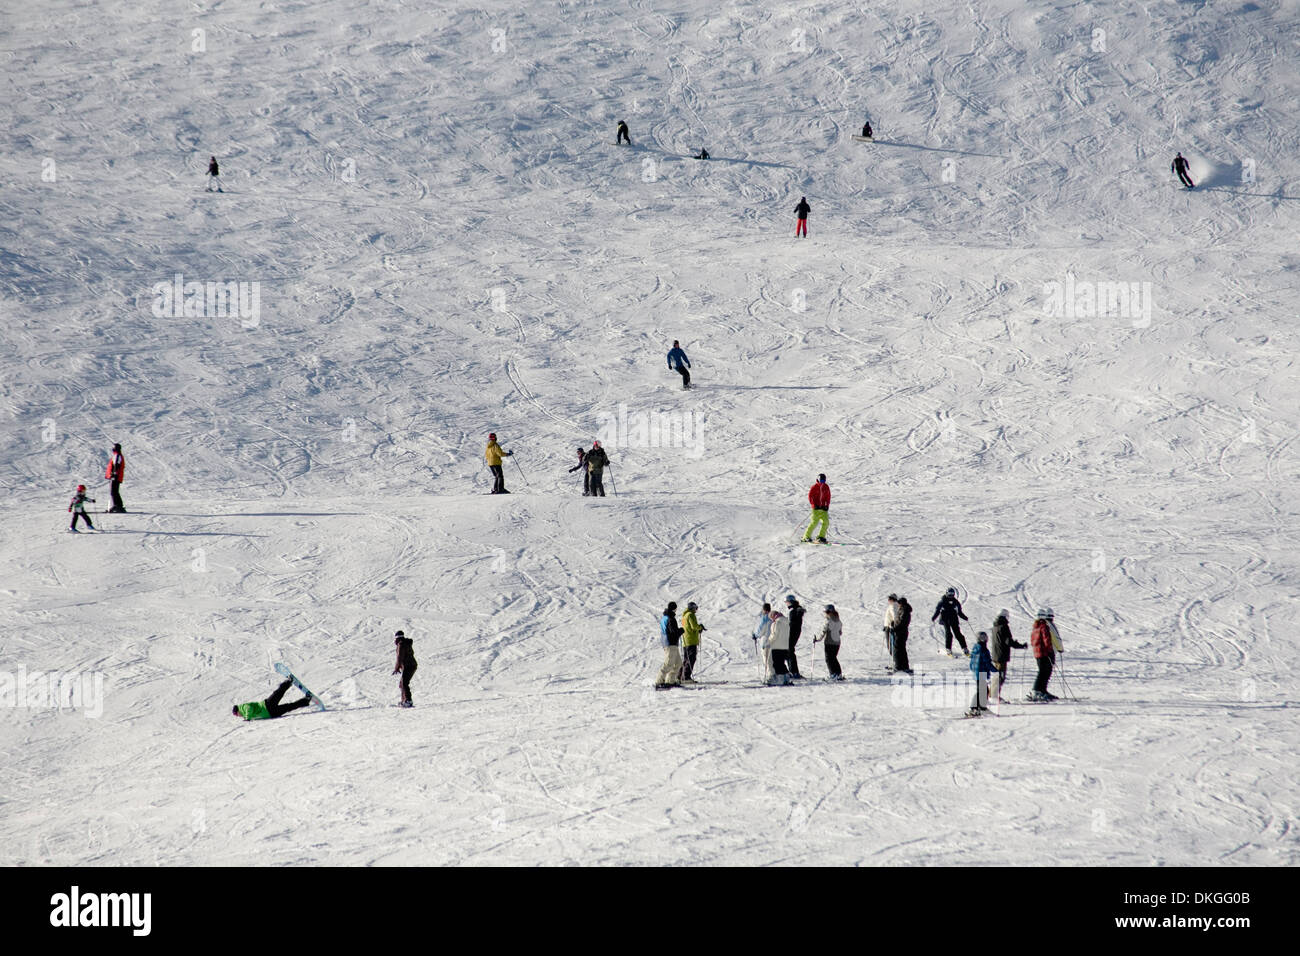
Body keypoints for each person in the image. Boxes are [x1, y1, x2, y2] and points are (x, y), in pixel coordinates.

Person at [989, 609, 1025, 703]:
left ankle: (992, 695)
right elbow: (1008, 641)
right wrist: (1020, 646)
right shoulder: (1004, 627)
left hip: (996, 654)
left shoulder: (994, 627)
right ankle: (994, 696)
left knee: (997, 675)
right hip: (1001, 655)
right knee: (1000, 676)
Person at [232, 678, 312, 720]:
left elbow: (249, 708)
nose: (237, 716)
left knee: (278, 694)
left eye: (236, 714)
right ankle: (305, 701)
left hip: (267, 705)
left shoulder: (243, 707)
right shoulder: (245, 716)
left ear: (237, 710)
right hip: (271, 714)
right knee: (289, 707)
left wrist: (247, 717)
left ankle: (288, 682)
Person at [1029, 608, 1060, 701]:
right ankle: (1036, 690)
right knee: (1044, 672)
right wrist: (1050, 651)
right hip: (1044, 653)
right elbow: (1047, 640)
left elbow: (1032, 641)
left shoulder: (1035, 627)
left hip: (1037, 653)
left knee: (1043, 672)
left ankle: (1042, 690)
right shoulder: (1043, 626)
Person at [932, 587, 969, 656]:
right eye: (949, 594)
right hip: (945, 619)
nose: (951, 596)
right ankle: (948, 649)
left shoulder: (955, 601)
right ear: (946, 593)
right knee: (949, 634)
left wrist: (964, 617)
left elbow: (959, 612)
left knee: (958, 634)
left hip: (954, 619)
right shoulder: (942, 601)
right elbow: (938, 610)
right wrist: (934, 617)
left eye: (952, 594)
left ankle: (964, 648)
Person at [655, 602, 683, 688]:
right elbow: (673, 632)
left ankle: (670, 680)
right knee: (669, 663)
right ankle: (659, 681)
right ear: (674, 609)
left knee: (678, 663)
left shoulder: (665, 617)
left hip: (670, 642)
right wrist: (681, 631)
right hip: (670, 643)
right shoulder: (670, 618)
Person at [763, 609, 793, 685]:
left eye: (771, 618)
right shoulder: (786, 622)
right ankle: (786, 678)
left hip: (776, 646)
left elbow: (774, 635)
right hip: (785, 646)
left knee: (777, 664)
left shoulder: (776, 623)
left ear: (773, 616)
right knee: (781, 663)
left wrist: (768, 642)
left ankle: (780, 680)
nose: (772, 620)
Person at [968, 631, 994, 715]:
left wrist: (973, 670)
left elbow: (971, 662)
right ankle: (974, 708)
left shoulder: (975, 648)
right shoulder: (983, 649)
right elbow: (987, 662)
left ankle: (981, 707)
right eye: (985, 638)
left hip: (977, 672)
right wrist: (995, 670)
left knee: (983, 690)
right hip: (981, 672)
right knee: (982, 691)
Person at [680, 601, 706, 683]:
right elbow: (694, 626)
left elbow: (687, 627)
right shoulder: (691, 615)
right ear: (692, 608)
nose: (696, 610)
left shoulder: (684, 616)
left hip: (686, 640)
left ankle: (680, 676)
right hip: (691, 640)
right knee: (691, 658)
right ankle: (686, 677)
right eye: (695, 608)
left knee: (686, 659)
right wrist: (700, 627)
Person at [816, 604, 844, 680]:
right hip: (837, 643)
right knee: (834, 658)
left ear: (828, 612)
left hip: (829, 642)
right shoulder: (838, 620)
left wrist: (817, 639)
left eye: (825, 612)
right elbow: (840, 632)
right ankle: (838, 674)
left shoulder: (828, 621)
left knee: (829, 659)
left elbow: (823, 631)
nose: (824, 614)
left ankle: (833, 674)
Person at [802, 473, 830, 543]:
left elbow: (828, 497)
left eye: (823, 481)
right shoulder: (814, 487)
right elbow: (810, 496)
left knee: (826, 522)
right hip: (816, 509)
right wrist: (814, 505)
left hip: (823, 509)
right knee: (814, 522)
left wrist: (827, 505)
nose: (822, 483)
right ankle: (806, 537)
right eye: (821, 481)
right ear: (818, 480)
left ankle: (821, 536)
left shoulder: (826, 487)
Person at [393, 629, 417, 708]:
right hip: (411, 665)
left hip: (408, 666)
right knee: (402, 683)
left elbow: (400, 657)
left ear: (397, 638)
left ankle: (408, 701)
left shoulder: (401, 644)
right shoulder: (406, 643)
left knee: (404, 683)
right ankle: (404, 700)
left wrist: (397, 668)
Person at [784, 594, 805, 678]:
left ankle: (793, 672)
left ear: (790, 602)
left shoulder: (793, 611)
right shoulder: (797, 609)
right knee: (789, 651)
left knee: (789, 651)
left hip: (792, 633)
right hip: (796, 632)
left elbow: (792, 624)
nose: (786, 604)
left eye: (786, 602)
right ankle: (793, 671)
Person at [104, 443, 125, 513]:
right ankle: (119, 506)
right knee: (115, 491)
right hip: (116, 476)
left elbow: (117, 464)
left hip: (115, 476)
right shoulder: (117, 455)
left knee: (113, 491)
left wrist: (114, 474)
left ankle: (117, 506)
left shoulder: (117, 455)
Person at [752, 601, 772, 673]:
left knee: (767, 660)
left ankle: (770, 676)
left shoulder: (765, 618)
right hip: (775, 642)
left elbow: (761, 630)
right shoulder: (773, 617)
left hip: (766, 642)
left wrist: (755, 635)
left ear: (764, 610)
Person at [894, 595, 913, 673]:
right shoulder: (903, 609)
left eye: (899, 603)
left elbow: (902, 622)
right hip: (900, 631)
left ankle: (899, 666)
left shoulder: (904, 610)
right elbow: (899, 620)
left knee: (898, 649)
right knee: (901, 649)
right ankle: (903, 666)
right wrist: (893, 623)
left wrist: (895, 628)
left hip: (901, 632)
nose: (898, 604)